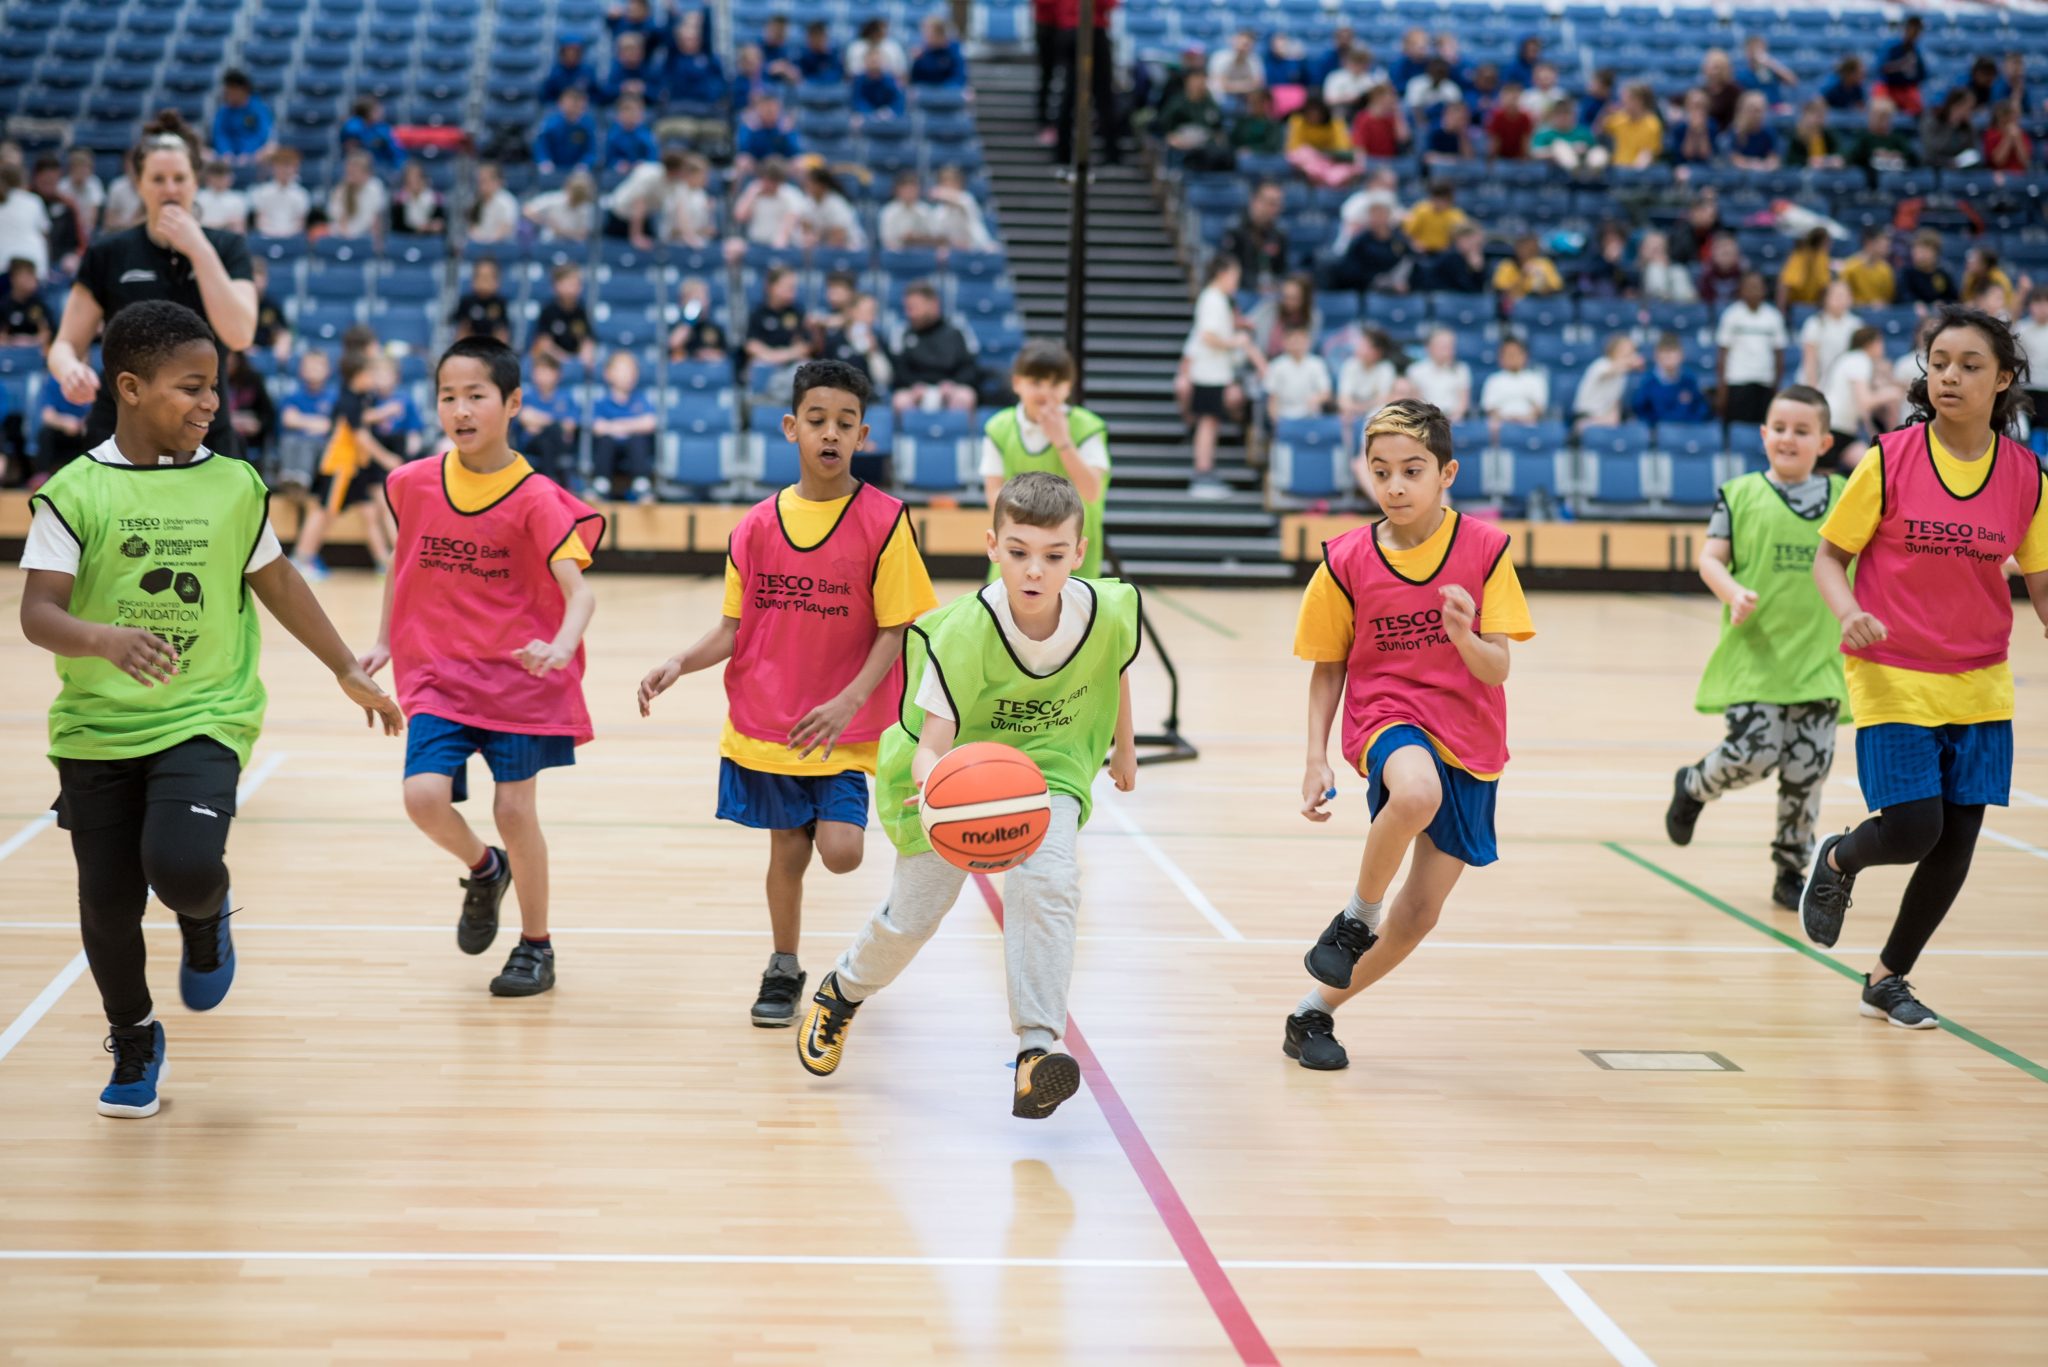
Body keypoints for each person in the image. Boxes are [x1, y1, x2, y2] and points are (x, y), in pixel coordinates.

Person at [17, 300, 401, 1118]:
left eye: (214, 388)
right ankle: (134, 1035)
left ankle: (204, 914)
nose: (209, 403)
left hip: (205, 711)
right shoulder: (75, 492)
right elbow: (38, 613)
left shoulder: (233, 483)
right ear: (129, 387)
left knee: (184, 865)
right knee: (110, 900)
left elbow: (280, 582)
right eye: (190, 388)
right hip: (96, 726)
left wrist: (343, 666)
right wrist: (102, 640)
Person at [794, 471, 1139, 1118]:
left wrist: (1124, 746)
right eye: (1018, 551)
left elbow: (1114, 665)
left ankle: (1037, 1050)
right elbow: (933, 743)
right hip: (957, 772)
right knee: (915, 916)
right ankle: (843, 988)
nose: (1034, 569)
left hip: (1050, 768)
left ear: (1080, 551)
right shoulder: (961, 631)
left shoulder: (1108, 610)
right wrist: (935, 788)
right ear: (992, 545)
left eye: (1053, 555)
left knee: (1051, 882)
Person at [639, 359, 935, 1027]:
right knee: (787, 853)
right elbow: (732, 629)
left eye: (845, 423)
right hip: (772, 721)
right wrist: (677, 663)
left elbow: (897, 628)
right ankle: (783, 965)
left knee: (842, 852)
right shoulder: (756, 525)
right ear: (790, 427)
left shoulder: (885, 521)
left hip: (845, 727)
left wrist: (850, 700)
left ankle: (855, 950)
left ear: (864, 435)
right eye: (817, 420)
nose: (830, 434)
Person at [1799, 305, 2048, 1029]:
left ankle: (1887, 977)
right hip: (1891, 666)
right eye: (1939, 362)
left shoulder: (2027, 475)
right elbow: (1830, 557)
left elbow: (2040, 584)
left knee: (1956, 842)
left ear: (2003, 380)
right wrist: (1848, 611)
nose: (1949, 376)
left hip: (1980, 675)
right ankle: (1841, 859)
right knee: (1913, 828)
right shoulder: (1887, 459)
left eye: (1970, 365)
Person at [1286, 400, 1535, 1069]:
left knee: (1422, 913)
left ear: (1446, 472)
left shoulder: (1485, 550)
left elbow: (1498, 664)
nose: (1394, 484)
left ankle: (1314, 1011)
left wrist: (1463, 634)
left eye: (1412, 470)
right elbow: (1327, 667)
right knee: (1416, 791)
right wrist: (1315, 758)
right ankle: (1356, 917)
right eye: (1381, 470)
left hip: (1471, 735)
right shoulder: (1345, 559)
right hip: (1388, 715)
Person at [358, 334, 604, 998]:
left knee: (515, 812)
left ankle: (536, 944)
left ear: (512, 402)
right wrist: (384, 640)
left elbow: (581, 592)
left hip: (519, 676)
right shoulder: (414, 483)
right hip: (438, 670)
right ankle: (483, 868)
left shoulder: (536, 498)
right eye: (447, 396)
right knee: (422, 796)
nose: (460, 410)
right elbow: (403, 567)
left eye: (476, 396)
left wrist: (558, 646)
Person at [1666, 385, 1850, 908]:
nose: (1789, 438)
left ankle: (1791, 869)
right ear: (1764, 434)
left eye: (1802, 430)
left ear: (1824, 441)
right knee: (1754, 753)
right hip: (1757, 654)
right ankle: (1696, 784)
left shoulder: (1844, 497)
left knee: (1806, 770)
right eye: (1780, 429)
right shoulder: (1739, 493)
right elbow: (1710, 558)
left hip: (1818, 658)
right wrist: (1732, 591)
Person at [48, 118, 257, 458]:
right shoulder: (107, 253)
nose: (170, 189)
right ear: (139, 184)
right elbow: (65, 344)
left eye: (179, 179)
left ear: (195, 182)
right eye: (158, 179)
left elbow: (240, 335)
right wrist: (70, 369)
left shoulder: (228, 248)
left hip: (204, 430)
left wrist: (199, 249)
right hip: (120, 430)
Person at [980, 340, 1110, 576]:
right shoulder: (998, 428)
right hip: (1017, 549)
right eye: (1037, 382)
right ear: (1017, 383)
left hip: (1069, 554)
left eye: (1056, 383)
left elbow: (1092, 491)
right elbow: (994, 498)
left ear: (1068, 387)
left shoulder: (1089, 427)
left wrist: (1062, 440)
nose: (1046, 392)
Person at [1183, 253, 1260, 499]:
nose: (1236, 281)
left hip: (1215, 373)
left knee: (1211, 422)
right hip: (1209, 373)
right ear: (1223, 274)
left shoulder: (1219, 300)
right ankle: (1202, 472)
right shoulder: (1212, 299)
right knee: (1208, 422)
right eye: (1234, 275)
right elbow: (1208, 336)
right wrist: (1234, 340)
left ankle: (1205, 470)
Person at [1821, 326, 1904, 468]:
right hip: (1833, 429)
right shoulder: (1859, 359)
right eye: (1880, 342)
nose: (1883, 347)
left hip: (1846, 431)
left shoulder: (1851, 359)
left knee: (1874, 469)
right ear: (1872, 343)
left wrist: (1873, 433)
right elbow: (1865, 401)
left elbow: (1862, 408)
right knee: (1824, 478)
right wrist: (1891, 393)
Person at [890, 283, 979, 414]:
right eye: (907, 308)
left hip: (951, 388)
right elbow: (899, 370)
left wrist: (953, 385)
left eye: (914, 307)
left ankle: (962, 434)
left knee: (966, 397)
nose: (909, 314)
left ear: (933, 304)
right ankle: (904, 435)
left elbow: (969, 368)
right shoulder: (902, 332)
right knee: (900, 400)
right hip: (915, 389)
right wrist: (913, 385)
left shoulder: (957, 331)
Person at [1716, 271, 1788, 425]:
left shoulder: (1773, 317)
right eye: (1749, 286)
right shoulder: (1731, 315)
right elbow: (1722, 354)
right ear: (1741, 290)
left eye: (1757, 286)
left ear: (1764, 290)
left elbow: (1779, 355)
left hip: (1765, 382)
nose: (1753, 290)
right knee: (1739, 430)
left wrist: (1776, 385)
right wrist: (1722, 390)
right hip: (1737, 382)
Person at [587, 349, 658, 502]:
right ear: (608, 374)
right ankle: (601, 484)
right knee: (606, 441)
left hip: (633, 450)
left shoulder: (641, 399)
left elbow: (650, 422)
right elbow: (597, 427)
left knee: (637, 440)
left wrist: (615, 426)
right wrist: (630, 425)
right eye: (623, 370)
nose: (628, 375)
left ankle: (641, 485)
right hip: (610, 449)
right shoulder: (602, 401)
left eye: (632, 370)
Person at [743, 265, 812, 397]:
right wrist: (771, 356)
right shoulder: (758, 312)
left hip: (790, 364)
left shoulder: (797, 311)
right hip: (765, 363)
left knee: (805, 367)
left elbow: (805, 345)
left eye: (794, 288)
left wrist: (783, 355)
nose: (793, 292)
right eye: (789, 288)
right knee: (756, 367)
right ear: (772, 287)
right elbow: (751, 344)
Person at [515, 348, 579, 486]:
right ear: (533, 373)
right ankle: (553, 479)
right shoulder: (527, 396)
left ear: (557, 374)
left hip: (556, 443)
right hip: (532, 444)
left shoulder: (566, 397)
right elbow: (525, 418)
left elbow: (570, 425)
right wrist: (556, 422)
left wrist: (539, 421)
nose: (543, 376)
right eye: (540, 371)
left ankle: (548, 479)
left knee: (549, 438)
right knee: (551, 433)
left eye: (548, 371)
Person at [1633, 331, 1715, 425]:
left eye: (1672, 352)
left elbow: (1700, 409)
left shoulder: (1689, 380)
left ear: (1681, 355)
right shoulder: (1648, 382)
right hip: (1659, 434)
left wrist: (1692, 424)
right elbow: (1641, 410)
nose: (1669, 358)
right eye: (1665, 353)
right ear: (1656, 356)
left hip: (1687, 431)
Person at [531, 262, 597, 368]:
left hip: (574, 362)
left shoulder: (581, 310)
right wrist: (565, 359)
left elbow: (587, 340)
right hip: (552, 362)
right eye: (569, 283)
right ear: (557, 285)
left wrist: (585, 355)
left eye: (577, 284)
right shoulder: (548, 311)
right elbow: (543, 344)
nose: (574, 288)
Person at [1337, 327, 1406, 427]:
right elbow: (1343, 400)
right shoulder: (1350, 365)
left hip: (1377, 415)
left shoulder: (1386, 369)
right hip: (1352, 415)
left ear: (1377, 352)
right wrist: (1357, 408)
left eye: (1364, 345)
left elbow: (1385, 400)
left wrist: (1358, 407)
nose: (1358, 347)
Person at [1799, 280, 1862, 387]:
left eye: (1845, 295)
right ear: (1826, 298)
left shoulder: (1856, 324)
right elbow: (1810, 362)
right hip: (1818, 381)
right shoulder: (1814, 323)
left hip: (1843, 383)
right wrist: (1813, 388)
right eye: (1837, 295)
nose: (1841, 300)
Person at [1478, 334, 1548, 430]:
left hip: (1528, 424)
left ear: (1524, 356)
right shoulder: (1494, 380)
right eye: (1508, 354)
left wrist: (1523, 419)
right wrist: (1507, 420)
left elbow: (1539, 408)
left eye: (1516, 354)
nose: (1512, 358)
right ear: (1501, 358)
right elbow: (1490, 409)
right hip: (1501, 425)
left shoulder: (1535, 379)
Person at [1572, 333, 1642, 429]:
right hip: (1586, 415)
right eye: (1626, 349)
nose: (1631, 353)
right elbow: (1609, 372)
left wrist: (1614, 419)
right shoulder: (1601, 363)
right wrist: (1630, 362)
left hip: (1605, 419)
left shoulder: (1622, 375)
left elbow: (1615, 403)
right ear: (1615, 350)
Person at [1265, 326, 1334, 422]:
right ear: (1285, 343)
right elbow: (1273, 399)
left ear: (1308, 342)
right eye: (1293, 341)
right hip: (1285, 415)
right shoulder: (1276, 366)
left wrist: (1317, 399)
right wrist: (1276, 423)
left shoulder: (1317, 364)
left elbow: (1326, 393)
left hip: (1310, 415)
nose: (1297, 345)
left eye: (1300, 341)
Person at [209, 70, 275, 166]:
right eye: (228, 90)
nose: (229, 93)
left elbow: (262, 134)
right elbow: (220, 134)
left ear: (243, 90)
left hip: (254, 156)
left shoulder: (258, 108)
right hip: (226, 157)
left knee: (270, 149)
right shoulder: (223, 111)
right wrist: (226, 152)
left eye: (233, 89)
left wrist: (247, 153)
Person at [1405, 328, 1471, 423]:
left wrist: (1454, 418)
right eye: (1443, 346)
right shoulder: (1415, 370)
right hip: (1425, 420)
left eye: (1451, 346)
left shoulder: (1461, 369)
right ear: (1429, 347)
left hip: (1453, 420)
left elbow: (1463, 401)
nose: (1448, 350)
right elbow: (1414, 400)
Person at [325, 149, 389, 242]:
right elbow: (339, 221)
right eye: (349, 172)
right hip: (342, 236)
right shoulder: (340, 190)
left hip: (365, 238)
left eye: (355, 171)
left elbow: (376, 222)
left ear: (366, 173)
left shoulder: (375, 187)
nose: (350, 175)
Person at [534, 88, 601, 173]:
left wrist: (585, 164)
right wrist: (544, 161)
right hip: (554, 170)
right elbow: (541, 147)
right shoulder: (551, 124)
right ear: (561, 104)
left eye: (578, 105)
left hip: (579, 172)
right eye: (571, 104)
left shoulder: (588, 125)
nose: (574, 108)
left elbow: (592, 151)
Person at [522, 167, 599, 242]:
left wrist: (560, 230)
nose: (577, 194)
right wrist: (546, 221)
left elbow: (582, 235)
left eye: (581, 192)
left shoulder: (587, 208)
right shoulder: (555, 199)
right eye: (575, 190)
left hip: (574, 247)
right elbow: (527, 210)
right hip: (551, 243)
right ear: (567, 188)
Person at [449, 257, 512, 344]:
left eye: (487, 278)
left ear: (497, 281)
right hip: (469, 346)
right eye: (479, 277)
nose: (483, 282)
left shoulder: (501, 303)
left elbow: (503, 332)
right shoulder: (466, 302)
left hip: (493, 347)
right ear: (473, 280)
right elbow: (460, 328)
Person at [666, 275, 729, 362]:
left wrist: (709, 355)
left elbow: (724, 355)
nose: (704, 302)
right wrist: (691, 318)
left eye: (704, 297)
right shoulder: (677, 326)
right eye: (697, 298)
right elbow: (673, 344)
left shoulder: (714, 328)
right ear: (683, 301)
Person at [339, 96, 405, 174]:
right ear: (368, 112)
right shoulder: (353, 126)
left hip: (383, 168)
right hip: (361, 168)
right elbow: (352, 152)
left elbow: (397, 153)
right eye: (376, 110)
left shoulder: (382, 128)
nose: (381, 112)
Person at [389, 160, 448, 237]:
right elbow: (397, 228)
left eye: (416, 178)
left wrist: (431, 227)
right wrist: (418, 229)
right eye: (409, 178)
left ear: (423, 180)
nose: (412, 181)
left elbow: (440, 225)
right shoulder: (399, 201)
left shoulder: (435, 199)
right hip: (406, 240)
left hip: (428, 240)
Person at [466, 162, 521, 244]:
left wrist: (487, 242)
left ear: (496, 181)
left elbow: (506, 228)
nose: (480, 185)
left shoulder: (506, 201)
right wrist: (477, 239)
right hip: (481, 244)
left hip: (501, 246)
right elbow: (472, 227)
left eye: (484, 181)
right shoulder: (476, 200)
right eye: (479, 181)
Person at [1842, 228, 1896, 308]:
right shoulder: (1850, 267)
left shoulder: (1886, 269)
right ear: (1869, 243)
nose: (1886, 248)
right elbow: (1843, 297)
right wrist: (1866, 305)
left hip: (1879, 314)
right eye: (1881, 244)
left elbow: (1888, 298)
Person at [194, 161, 249, 234]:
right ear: (208, 178)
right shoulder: (198, 197)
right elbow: (196, 224)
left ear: (230, 178)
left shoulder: (238, 199)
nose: (219, 180)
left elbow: (240, 228)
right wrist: (224, 224)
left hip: (227, 238)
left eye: (223, 176)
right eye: (216, 176)